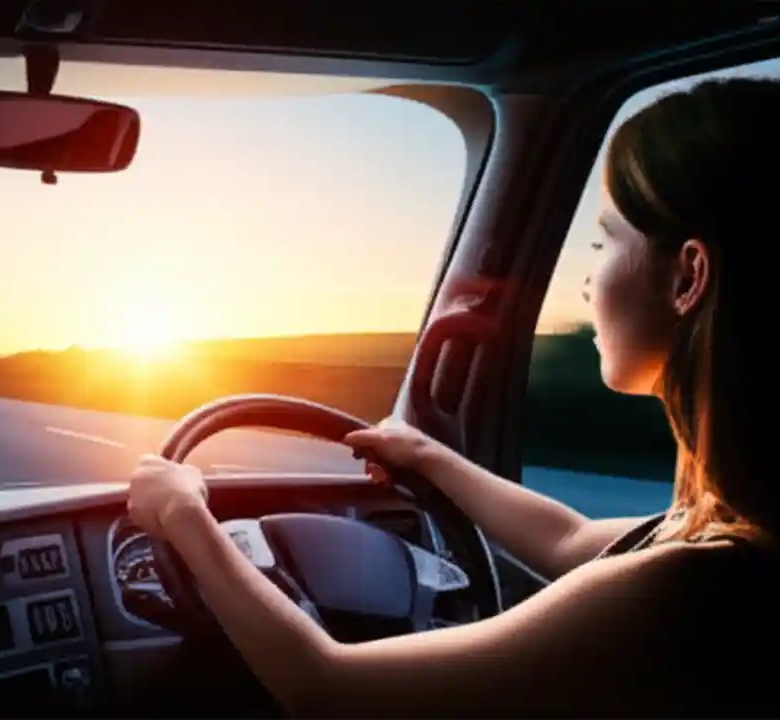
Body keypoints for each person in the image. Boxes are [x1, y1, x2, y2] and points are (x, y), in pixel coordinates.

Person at [127, 76, 779, 716]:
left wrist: (183, 516)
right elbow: (570, 538)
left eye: (603, 241)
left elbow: (326, 687)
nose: (586, 283)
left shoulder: (694, 592)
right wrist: (429, 455)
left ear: (689, 275)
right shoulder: (728, 533)